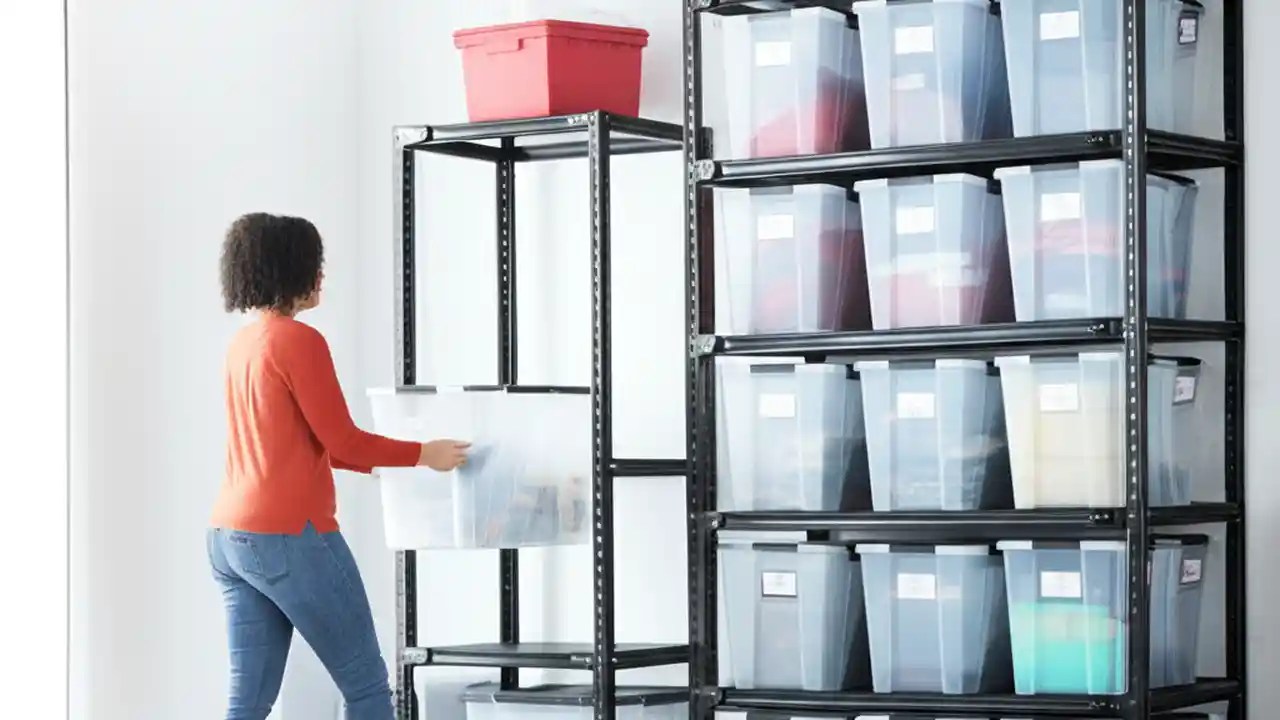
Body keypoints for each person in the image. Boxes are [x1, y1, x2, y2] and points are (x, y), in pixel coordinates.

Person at [207, 212, 469, 720]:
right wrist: (424, 454)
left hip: (229, 538)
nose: (322, 275)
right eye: (315, 264)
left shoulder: (243, 344)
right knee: (368, 689)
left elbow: (319, 446)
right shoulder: (299, 341)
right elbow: (342, 437)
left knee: (247, 706)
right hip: (290, 535)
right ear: (291, 270)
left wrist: (388, 466)